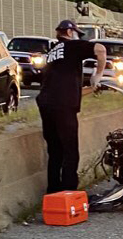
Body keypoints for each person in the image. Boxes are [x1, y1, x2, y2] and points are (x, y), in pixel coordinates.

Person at [36, 20, 106, 193]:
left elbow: (65, 89)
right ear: (69, 32)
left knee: (55, 151)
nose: (79, 38)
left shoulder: (52, 53)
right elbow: (101, 50)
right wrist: (98, 75)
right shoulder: (72, 46)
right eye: (77, 34)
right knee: (70, 151)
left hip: (46, 104)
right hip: (63, 106)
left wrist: (92, 88)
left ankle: (53, 192)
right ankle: (69, 193)